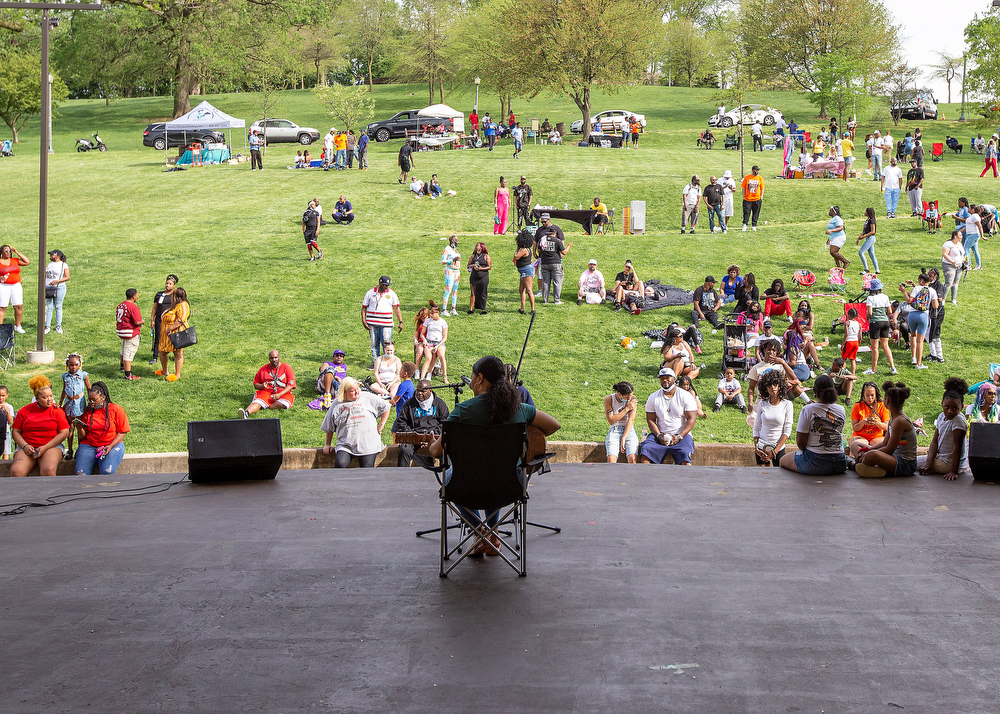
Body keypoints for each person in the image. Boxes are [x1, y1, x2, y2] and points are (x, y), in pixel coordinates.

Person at [427, 356, 560, 554]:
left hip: (466, 486)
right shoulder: (520, 409)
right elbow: (554, 425)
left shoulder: (463, 411)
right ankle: (492, 533)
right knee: (496, 472)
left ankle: (480, 531)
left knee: (450, 478)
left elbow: (437, 451)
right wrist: (532, 436)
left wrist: (431, 443)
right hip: (510, 486)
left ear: (480, 378)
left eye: (473, 377)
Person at [779, 374, 847, 475]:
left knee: (782, 460)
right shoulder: (841, 409)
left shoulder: (808, 409)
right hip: (839, 462)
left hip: (816, 462)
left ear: (815, 391)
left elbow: (801, 444)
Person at [321, 377, 390, 468]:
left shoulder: (368, 397)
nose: (357, 392)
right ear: (345, 392)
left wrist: (381, 425)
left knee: (367, 468)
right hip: (346, 445)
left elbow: (386, 406)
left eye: (357, 388)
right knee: (340, 464)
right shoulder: (337, 404)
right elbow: (329, 425)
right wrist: (327, 444)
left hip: (368, 445)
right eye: (353, 391)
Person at [10, 375, 70, 477]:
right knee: (16, 471)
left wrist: (45, 447)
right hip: (27, 446)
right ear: (37, 398)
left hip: (51, 446)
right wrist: (25, 446)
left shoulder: (57, 411)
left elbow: (64, 432)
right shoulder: (24, 411)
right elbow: (16, 431)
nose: (49, 399)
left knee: (48, 470)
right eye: (45, 397)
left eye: (51, 396)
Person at [853, 381, 917, 477]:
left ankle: (868, 467)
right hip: (894, 457)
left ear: (887, 401)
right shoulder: (893, 419)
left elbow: (889, 449)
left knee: (872, 455)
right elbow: (884, 443)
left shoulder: (900, 421)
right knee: (857, 444)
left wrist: (868, 453)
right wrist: (866, 450)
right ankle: (871, 467)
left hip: (905, 463)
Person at [638, 367, 697, 466]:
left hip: (681, 435)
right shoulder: (653, 397)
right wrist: (658, 435)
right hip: (660, 434)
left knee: (685, 455)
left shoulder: (685, 395)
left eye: (668, 378)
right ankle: (645, 475)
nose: (665, 380)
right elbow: (650, 419)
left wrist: (679, 437)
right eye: (662, 378)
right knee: (646, 452)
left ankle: (687, 476)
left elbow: (692, 419)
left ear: (674, 379)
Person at [918, 378, 971, 480]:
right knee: (917, 461)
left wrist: (953, 471)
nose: (950, 411)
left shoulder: (958, 421)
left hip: (950, 464)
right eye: (947, 407)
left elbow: (957, 447)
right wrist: (929, 462)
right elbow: (934, 441)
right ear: (942, 403)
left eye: (955, 408)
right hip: (942, 458)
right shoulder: (941, 416)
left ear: (961, 407)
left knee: (911, 462)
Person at [73, 381, 130, 476]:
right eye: (89, 400)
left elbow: (123, 431)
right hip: (89, 445)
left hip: (111, 444)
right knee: (80, 474)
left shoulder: (115, 409)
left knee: (107, 472)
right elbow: (83, 436)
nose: (91, 403)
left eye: (94, 400)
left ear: (103, 397)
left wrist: (111, 446)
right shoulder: (88, 411)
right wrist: (79, 429)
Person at [392, 379, 450, 467]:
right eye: (418, 390)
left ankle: (447, 472)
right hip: (414, 436)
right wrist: (413, 435)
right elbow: (401, 421)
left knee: (445, 449)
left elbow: (445, 423)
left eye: (423, 391)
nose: (419, 393)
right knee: (404, 450)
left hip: (434, 436)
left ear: (430, 391)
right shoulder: (409, 404)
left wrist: (431, 436)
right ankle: (403, 473)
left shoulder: (439, 404)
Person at [752, 369, 793, 467]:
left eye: (775, 384)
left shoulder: (787, 405)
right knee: (761, 474)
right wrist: (756, 447)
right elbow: (756, 427)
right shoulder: (762, 403)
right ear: (765, 388)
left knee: (779, 475)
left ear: (780, 385)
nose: (772, 387)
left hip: (778, 448)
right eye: (769, 385)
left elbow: (787, 431)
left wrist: (775, 451)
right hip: (761, 448)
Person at [238, 350, 296, 418]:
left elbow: (291, 385)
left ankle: (269, 406)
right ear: (269, 359)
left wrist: (279, 394)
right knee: (257, 402)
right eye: (271, 358)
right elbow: (256, 385)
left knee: (283, 404)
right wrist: (262, 386)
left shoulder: (287, 367)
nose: (274, 360)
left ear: (279, 357)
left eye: (276, 357)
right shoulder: (263, 369)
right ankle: (246, 413)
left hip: (283, 393)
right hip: (267, 393)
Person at [898, 272, 938, 369]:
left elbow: (909, 301)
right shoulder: (932, 290)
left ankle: (913, 358)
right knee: (920, 341)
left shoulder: (916, 288)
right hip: (923, 315)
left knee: (913, 336)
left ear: (921, 280)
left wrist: (904, 292)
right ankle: (919, 364)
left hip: (912, 315)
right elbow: (935, 306)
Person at [361, 276, 403, 368]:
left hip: (386, 324)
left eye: (387, 285)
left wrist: (401, 321)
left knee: (386, 344)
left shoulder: (391, 294)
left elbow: (396, 308)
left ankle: (387, 363)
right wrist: (363, 320)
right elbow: (364, 307)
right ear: (379, 284)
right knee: (374, 343)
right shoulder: (370, 293)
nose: (386, 287)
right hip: (372, 323)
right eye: (384, 285)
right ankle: (376, 363)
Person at [153, 286, 189, 382]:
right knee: (163, 352)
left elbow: (180, 320)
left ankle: (177, 375)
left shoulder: (183, 305)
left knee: (178, 353)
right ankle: (165, 371)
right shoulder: (174, 305)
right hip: (166, 335)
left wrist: (170, 328)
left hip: (176, 334)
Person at [861, 279, 896, 375]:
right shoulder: (885, 297)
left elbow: (870, 312)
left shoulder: (870, 298)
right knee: (886, 346)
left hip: (875, 322)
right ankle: (893, 367)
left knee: (875, 348)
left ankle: (873, 369)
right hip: (885, 322)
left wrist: (867, 317)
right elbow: (890, 311)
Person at [534, 213, 571, 304]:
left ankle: (545, 300)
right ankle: (556, 300)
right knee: (557, 282)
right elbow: (564, 251)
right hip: (555, 262)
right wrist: (568, 247)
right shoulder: (557, 241)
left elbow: (539, 249)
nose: (543, 223)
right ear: (554, 233)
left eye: (544, 222)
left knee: (545, 282)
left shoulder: (543, 240)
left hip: (544, 262)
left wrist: (541, 252)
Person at [59, 352, 90, 458]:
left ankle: (80, 449)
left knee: (79, 427)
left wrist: (90, 402)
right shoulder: (65, 376)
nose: (73, 367)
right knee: (70, 427)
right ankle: (70, 450)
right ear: (67, 365)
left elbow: (89, 389)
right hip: (69, 404)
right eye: (71, 365)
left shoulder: (83, 375)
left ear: (80, 364)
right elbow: (64, 390)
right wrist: (60, 403)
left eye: (76, 365)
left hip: (79, 405)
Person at [848, 381, 889, 458]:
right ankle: (855, 462)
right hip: (860, 436)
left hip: (877, 436)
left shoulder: (882, 405)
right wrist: (862, 422)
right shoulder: (857, 406)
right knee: (855, 446)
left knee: (884, 447)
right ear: (863, 394)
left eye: (872, 395)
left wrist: (877, 423)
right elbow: (855, 428)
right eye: (867, 395)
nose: (870, 398)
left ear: (876, 394)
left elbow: (886, 426)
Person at [604, 381, 639, 463]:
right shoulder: (609, 399)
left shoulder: (633, 399)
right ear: (619, 394)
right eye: (627, 397)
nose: (629, 399)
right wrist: (626, 409)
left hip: (629, 429)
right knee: (611, 459)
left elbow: (631, 419)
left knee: (632, 458)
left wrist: (624, 438)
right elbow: (611, 420)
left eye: (631, 395)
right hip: (615, 429)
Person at [148, 274, 178, 365]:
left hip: (170, 321)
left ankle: (175, 355)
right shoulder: (159, 294)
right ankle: (155, 356)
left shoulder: (175, 295)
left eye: (170, 284)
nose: (167, 285)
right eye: (167, 283)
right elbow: (154, 308)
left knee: (172, 337)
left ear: (174, 285)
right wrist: (152, 319)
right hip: (159, 320)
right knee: (158, 337)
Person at [0, 244, 30, 333]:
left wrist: (17, 252)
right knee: (2, 307)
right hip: (3, 286)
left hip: (16, 285)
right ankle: (0, 327)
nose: (8, 253)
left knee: (19, 306)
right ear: (1, 252)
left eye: (9, 251)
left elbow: (27, 262)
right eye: (6, 251)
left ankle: (18, 326)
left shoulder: (15, 260)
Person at [116, 288, 143, 381]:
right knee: (129, 352)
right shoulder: (133, 307)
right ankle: (128, 375)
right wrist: (142, 321)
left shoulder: (120, 305)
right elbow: (137, 322)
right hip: (130, 333)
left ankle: (122, 366)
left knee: (123, 348)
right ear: (134, 296)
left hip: (121, 331)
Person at [420, 301, 449, 382]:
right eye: (431, 313)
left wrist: (437, 346)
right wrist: (424, 340)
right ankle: (422, 377)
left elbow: (445, 337)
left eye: (433, 313)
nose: (431, 315)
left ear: (437, 313)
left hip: (438, 343)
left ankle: (444, 376)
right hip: (429, 342)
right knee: (428, 357)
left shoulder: (443, 322)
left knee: (441, 356)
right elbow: (422, 334)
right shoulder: (428, 321)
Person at [43, 249, 69, 334]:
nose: (50, 256)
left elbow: (67, 277)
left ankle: (58, 325)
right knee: (49, 307)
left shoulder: (63, 265)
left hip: (59, 288)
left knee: (58, 306)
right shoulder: (50, 264)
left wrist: (57, 281)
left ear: (57, 256)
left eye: (52, 255)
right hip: (48, 288)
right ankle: (47, 326)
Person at [940, 230, 965, 306]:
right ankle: (943, 299)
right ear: (955, 236)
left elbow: (961, 254)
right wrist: (952, 262)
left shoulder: (959, 244)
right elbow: (945, 254)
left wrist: (964, 260)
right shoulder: (948, 244)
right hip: (949, 265)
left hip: (959, 266)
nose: (962, 237)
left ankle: (953, 299)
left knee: (955, 282)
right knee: (948, 283)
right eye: (960, 235)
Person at [514, 229, 536, 315]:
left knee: (529, 290)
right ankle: (522, 308)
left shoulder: (523, 250)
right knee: (521, 290)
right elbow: (531, 260)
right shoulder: (528, 249)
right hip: (524, 271)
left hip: (526, 271)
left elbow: (516, 257)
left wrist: (517, 248)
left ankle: (533, 309)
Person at [467, 242, 491, 314]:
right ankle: (471, 309)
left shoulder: (486, 256)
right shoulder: (473, 256)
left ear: (481, 247)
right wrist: (472, 266)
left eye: (477, 245)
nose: (475, 246)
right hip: (474, 277)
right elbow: (468, 265)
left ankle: (483, 309)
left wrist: (481, 269)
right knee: (473, 292)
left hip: (483, 277)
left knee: (483, 292)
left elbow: (489, 267)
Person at [440, 234, 461, 316]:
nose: (457, 242)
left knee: (455, 290)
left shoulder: (455, 250)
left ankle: (453, 308)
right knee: (448, 290)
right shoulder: (447, 249)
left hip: (456, 271)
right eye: (456, 240)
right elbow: (442, 261)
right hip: (450, 271)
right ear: (452, 241)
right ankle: (444, 309)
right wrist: (452, 260)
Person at [740, 165, 764, 231]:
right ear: (753, 170)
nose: (757, 172)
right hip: (748, 198)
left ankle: (754, 225)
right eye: (756, 170)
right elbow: (743, 187)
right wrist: (744, 196)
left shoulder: (760, 178)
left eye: (758, 170)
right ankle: (745, 224)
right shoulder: (747, 177)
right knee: (746, 212)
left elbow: (762, 188)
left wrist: (761, 197)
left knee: (756, 213)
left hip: (757, 199)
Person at [855, 207, 879, 274]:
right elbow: (865, 230)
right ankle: (877, 270)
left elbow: (873, 231)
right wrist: (859, 237)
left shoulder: (871, 221)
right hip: (868, 238)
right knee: (871, 254)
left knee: (861, 252)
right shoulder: (868, 220)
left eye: (865, 211)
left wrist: (863, 236)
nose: (864, 212)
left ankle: (866, 269)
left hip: (871, 238)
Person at [825, 205, 849, 270]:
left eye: (830, 211)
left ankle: (846, 262)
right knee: (835, 253)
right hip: (834, 237)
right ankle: (839, 267)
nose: (829, 212)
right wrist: (829, 239)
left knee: (833, 252)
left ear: (834, 212)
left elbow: (840, 228)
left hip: (839, 237)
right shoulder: (833, 219)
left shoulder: (837, 218)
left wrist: (831, 231)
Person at [963, 205, 985, 270]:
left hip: (973, 234)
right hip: (971, 234)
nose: (968, 209)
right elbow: (967, 226)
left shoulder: (975, 216)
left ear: (973, 210)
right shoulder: (972, 216)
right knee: (975, 250)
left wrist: (982, 235)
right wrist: (959, 231)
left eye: (969, 208)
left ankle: (967, 265)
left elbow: (979, 226)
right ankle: (978, 265)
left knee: (966, 248)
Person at [0, 385, 13, 461]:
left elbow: (10, 421)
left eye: (3, 395)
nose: (1, 398)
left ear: (7, 395)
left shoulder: (9, 407)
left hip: (6, 432)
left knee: (6, 451)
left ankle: (5, 464)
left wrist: (7, 411)